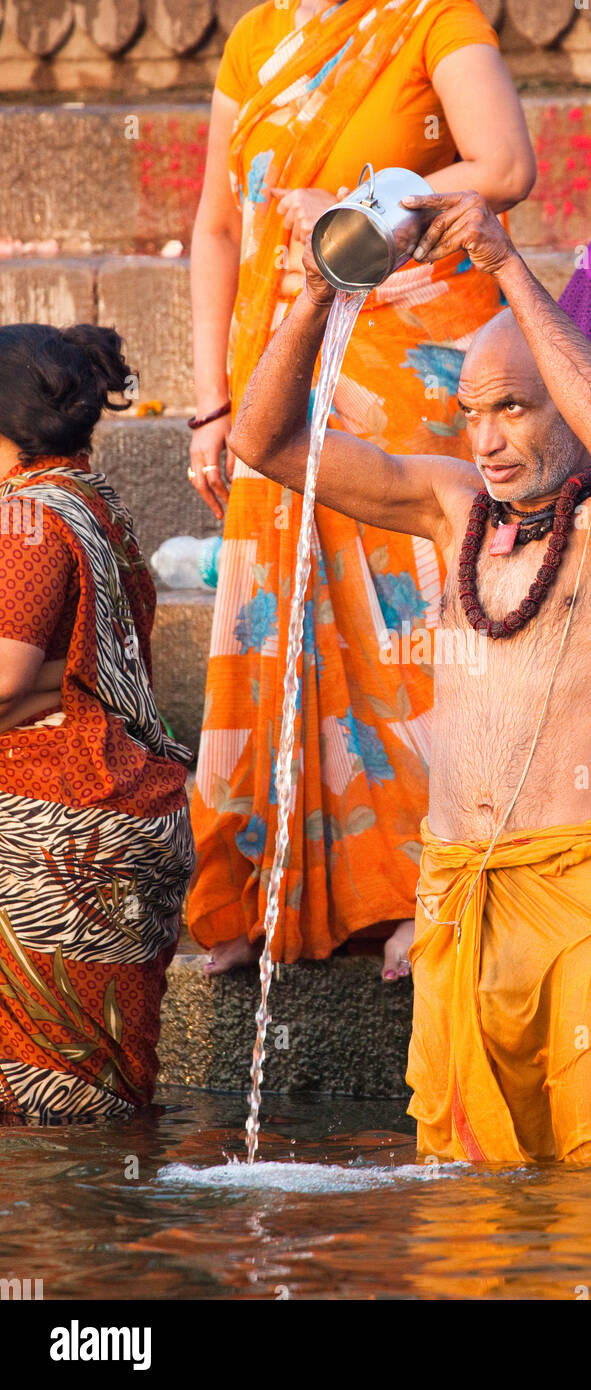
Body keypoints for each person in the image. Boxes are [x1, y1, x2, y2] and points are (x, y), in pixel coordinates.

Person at [227, 192, 591, 1163]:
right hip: (452, 891)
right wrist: (312, 296)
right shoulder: (453, 510)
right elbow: (261, 445)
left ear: (562, 395)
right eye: (471, 413)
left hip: (580, 888)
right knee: (461, 1186)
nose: (484, 440)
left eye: (513, 408)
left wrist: (505, 262)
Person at [187, 0, 535, 981]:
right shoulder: (259, 36)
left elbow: (504, 168)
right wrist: (211, 404)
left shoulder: (435, 20)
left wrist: (358, 199)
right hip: (285, 360)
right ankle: (265, 887)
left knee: (414, 629)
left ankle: (431, 882)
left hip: (415, 364)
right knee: (277, 612)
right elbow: (217, 224)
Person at [0, 324, 194, 1123]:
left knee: (50, 1111)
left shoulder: (29, 521)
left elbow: (6, 681)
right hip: (107, 810)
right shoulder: (93, 503)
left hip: (56, 821)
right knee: (90, 1105)